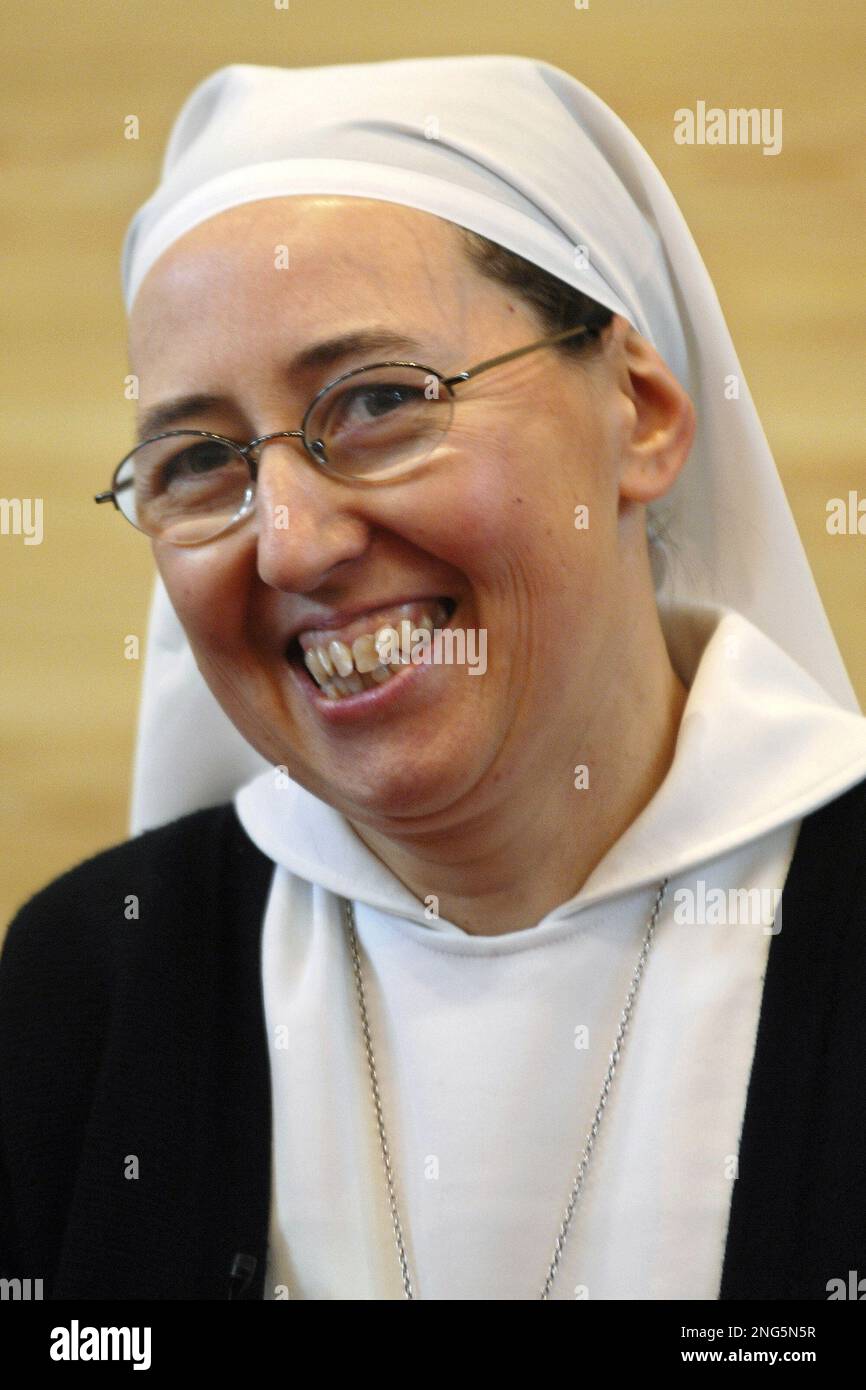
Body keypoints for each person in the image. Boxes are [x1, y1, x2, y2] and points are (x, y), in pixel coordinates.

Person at [2, 54, 866, 1302]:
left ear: (641, 409)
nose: (292, 539)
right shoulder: (85, 988)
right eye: (198, 461)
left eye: (380, 401)